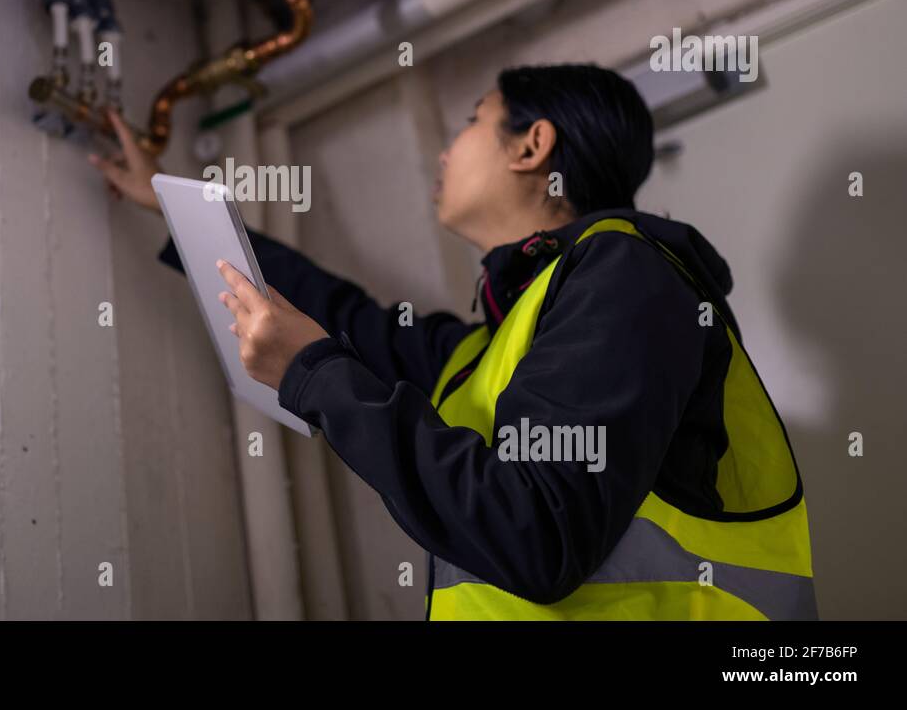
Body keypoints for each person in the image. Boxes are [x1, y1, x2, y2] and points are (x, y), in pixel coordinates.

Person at [89, 63, 816, 621]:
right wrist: (175, 205)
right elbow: (349, 318)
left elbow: (539, 533)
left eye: (474, 120)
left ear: (533, 146)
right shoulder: (487, 352)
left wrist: (313, 375)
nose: (448, 148)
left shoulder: (627, 274)